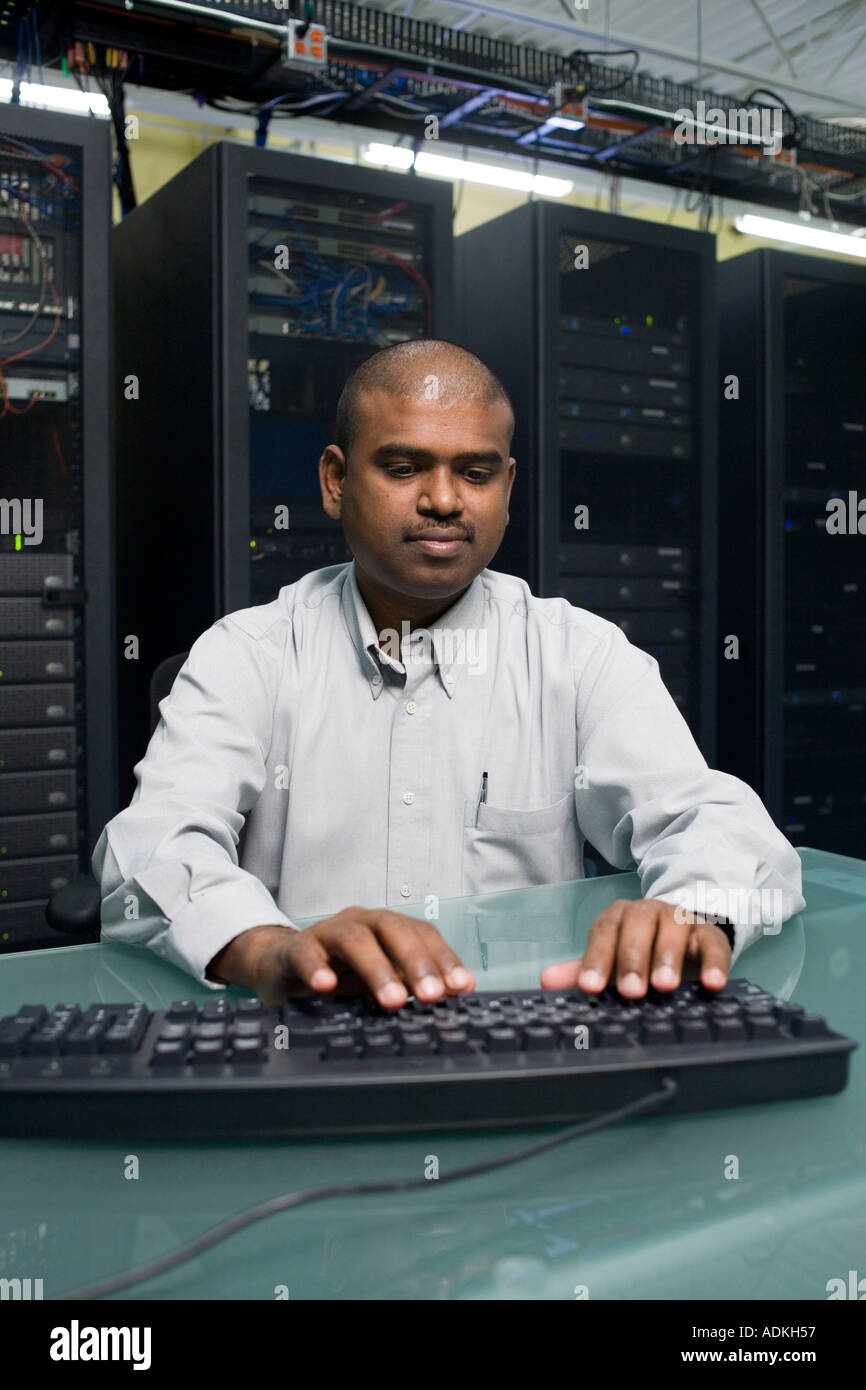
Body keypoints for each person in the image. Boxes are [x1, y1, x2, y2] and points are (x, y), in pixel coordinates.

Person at [93, 339, 805, 1009]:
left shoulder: (580, 655)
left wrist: (692, 912)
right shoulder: (246, 654)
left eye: (476, 472)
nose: (443, 499)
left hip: (525, 1035)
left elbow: (715, 822)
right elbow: (148, 854)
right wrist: (272, 949)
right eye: (403, 469)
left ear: (507, 484)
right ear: (336, 481)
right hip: (302, 1033)